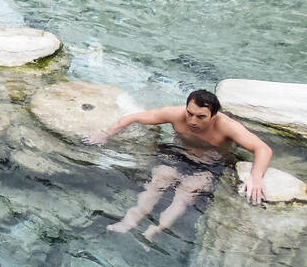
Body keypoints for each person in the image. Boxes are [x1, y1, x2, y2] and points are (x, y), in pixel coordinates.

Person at [88, 89, 272, 240]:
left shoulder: (227, 126)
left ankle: (154, 231)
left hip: (209, 164)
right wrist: (106, 133)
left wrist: (256, 177)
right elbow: (133, 117)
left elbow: (263, 149)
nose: (192, 121)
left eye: (201, 117)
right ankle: (128, 222)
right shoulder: (176, 114)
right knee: (156, 183)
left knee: (185, 194)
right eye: (190, 113)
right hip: (178, 155)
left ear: (214, 115)